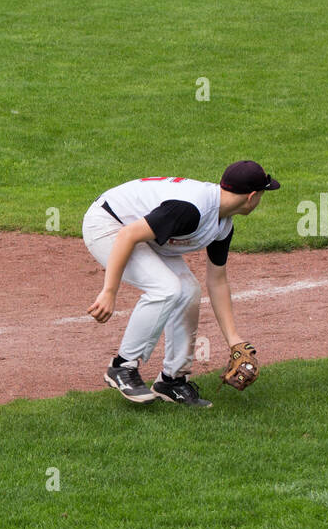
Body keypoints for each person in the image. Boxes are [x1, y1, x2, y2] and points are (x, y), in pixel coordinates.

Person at [82, 161, 279, 407]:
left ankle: (172, 380)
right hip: (109, 224)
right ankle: (122, 366)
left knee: (188, 290)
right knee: (166, 288)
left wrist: (234, 340)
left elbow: (217, 282)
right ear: (251, 197)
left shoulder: (222, 224)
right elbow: (128, 235)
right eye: (262, 194)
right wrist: (109, 291)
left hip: (142, 231)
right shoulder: (191, 209)